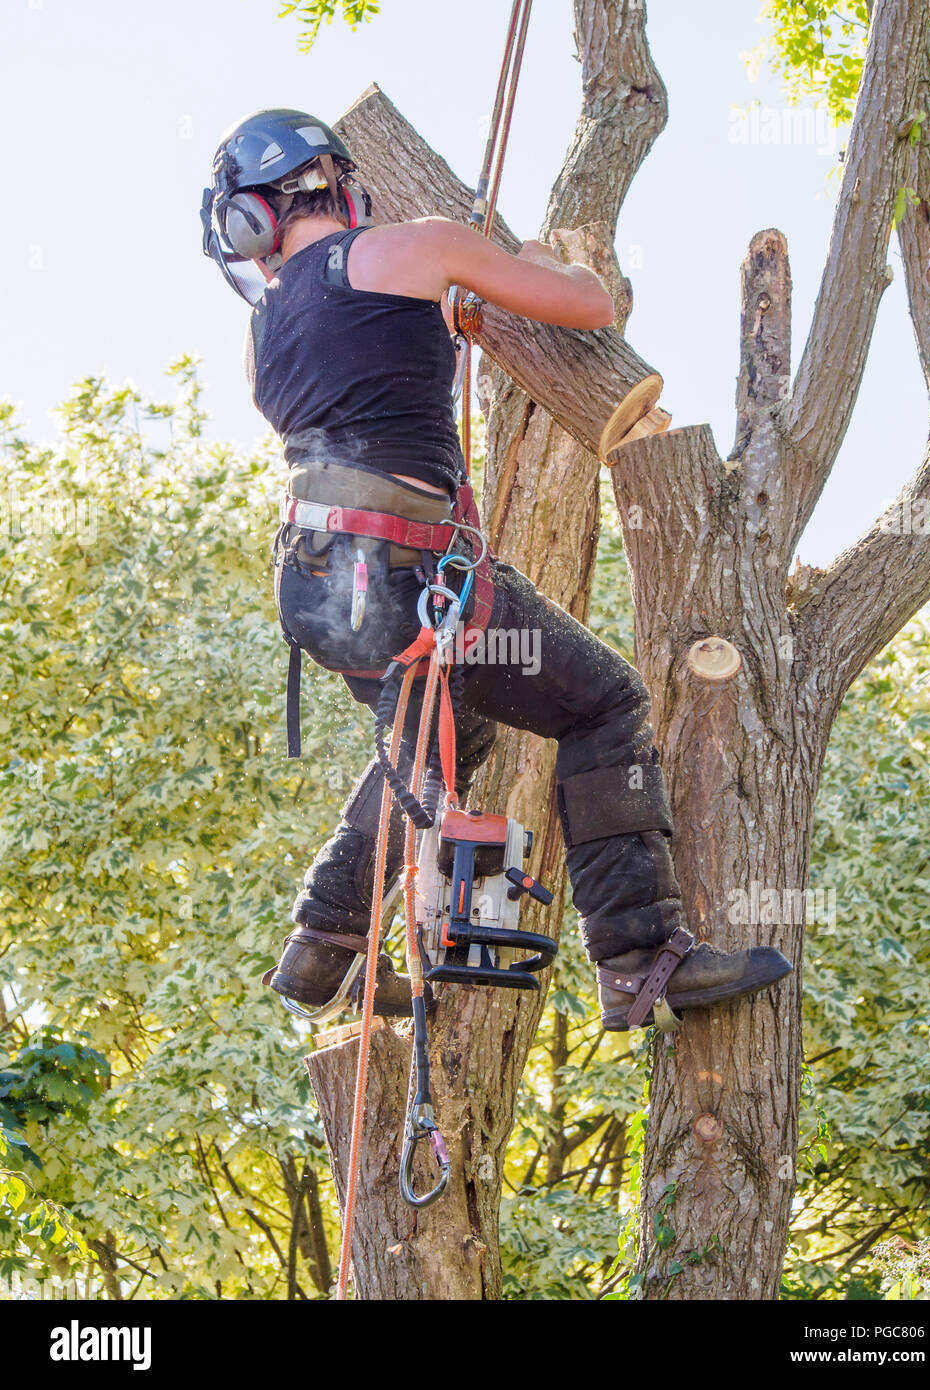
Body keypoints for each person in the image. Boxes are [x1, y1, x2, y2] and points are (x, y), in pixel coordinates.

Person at [200, 108, 792, 1030]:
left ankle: (324, 944)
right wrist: (532, 257)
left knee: (443, 738)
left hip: (319, 585)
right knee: (603, 703)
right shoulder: (417, 247)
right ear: (342, 185)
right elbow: (589, 305)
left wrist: (435, 315)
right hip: (408, 568)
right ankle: (641, 955)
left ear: (251, 222)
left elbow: (362, 375)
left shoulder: (262, 330)